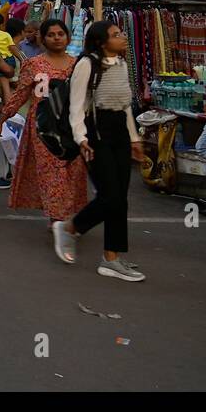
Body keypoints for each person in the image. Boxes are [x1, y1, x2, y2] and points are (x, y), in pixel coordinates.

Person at [51, 21, 147, 281]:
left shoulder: (121, 64)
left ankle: (112, 258)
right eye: (116, 35)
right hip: (95, 134)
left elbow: (125, 105)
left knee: (120, 198)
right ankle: (71, 228)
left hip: (119, 133)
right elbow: (77, 106)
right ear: (101, 42)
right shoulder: (87, 64)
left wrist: (134, 138)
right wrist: (82, 139)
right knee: (110, 196)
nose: (123, 37)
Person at [0, 18, 86, 229]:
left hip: (72, 126)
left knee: (72, 172)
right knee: (53, 174)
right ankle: (57, 220)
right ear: (43, 39)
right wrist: (1, 120)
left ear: (68, 37)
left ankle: (67, 216)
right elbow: (20, 95)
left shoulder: (77, 65)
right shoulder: (33, 64)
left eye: (60, 34)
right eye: (51, 35)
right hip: (43, 129)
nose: (56, 38)